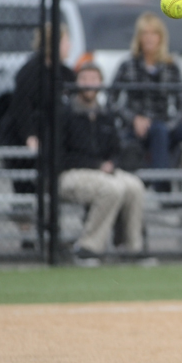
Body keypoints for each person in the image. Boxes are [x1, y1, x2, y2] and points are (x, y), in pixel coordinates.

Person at [59, 63, 145, 262]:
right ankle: (88, 247)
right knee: (111, 188)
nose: (89, 84)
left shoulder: (104, 114)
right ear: (77, 83)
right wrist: (97, 165)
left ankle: (132, 248)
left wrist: (111, 164)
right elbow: (60, 156)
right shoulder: (65, 114)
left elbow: (115, 150)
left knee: (135, 186)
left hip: (101, 173)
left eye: (94, 79)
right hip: (69, 173)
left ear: (100, 83)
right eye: (85, 79)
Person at [109, 12, 182, 188]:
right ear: (138, 38)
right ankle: (163, 187)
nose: (149, 38)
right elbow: (112, 100)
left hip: (164, 125)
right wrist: (133, 119)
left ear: (161, 38)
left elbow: (181, 106)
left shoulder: (171, 67)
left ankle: (162, 182)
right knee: (157, 133)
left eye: (153, 33)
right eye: (145, 33)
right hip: (134, 127)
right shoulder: (127, 65)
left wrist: (168, 126)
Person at [0, 23, 76, 205]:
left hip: (52, 137)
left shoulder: (65, 73)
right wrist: (30, 135)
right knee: (24, 187)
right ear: (54, 43)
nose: (69, 46)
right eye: (66, 41)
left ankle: (47, 224)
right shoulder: (32, 70)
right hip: (23, 135)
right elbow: (20, 105)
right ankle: (26, 227)